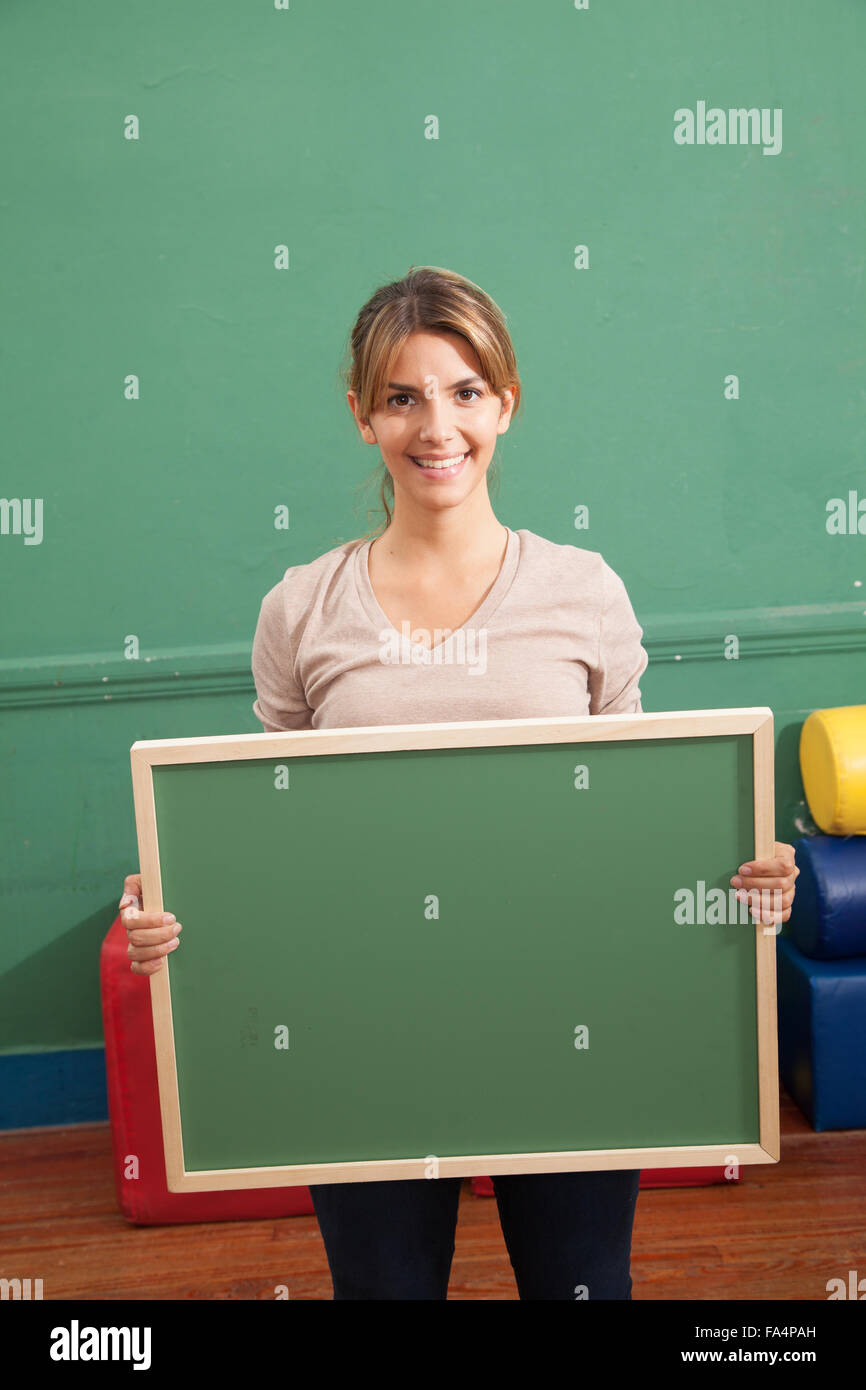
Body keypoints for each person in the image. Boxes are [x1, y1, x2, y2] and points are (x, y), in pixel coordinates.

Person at [118, 265, 799, 1300]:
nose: (436, 425)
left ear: (505, 403)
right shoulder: (300, 609)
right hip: (362, 1033)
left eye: (464, 391)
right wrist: (173, 900)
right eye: (401, 396)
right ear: (361, 416)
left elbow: (635, 827)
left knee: (583, 1285)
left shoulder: (583, 590)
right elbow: (269, 832)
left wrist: (742, 878)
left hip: (571, 1018)